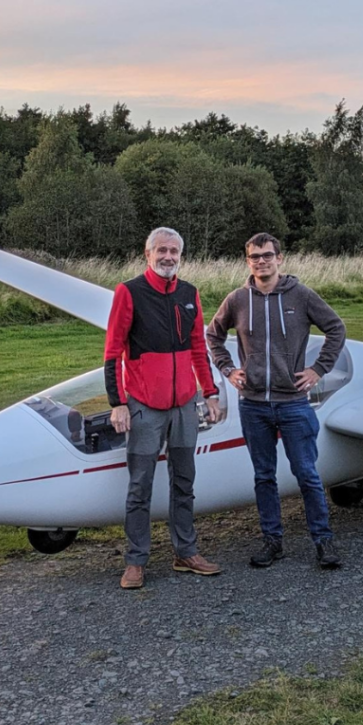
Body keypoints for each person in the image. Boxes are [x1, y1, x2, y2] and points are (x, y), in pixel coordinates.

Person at [207, 232, 346, 569]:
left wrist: (317, 370)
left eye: (267, 256)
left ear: (279, 258)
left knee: (307, 474)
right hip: (253, 405)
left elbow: (336, 329)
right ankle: (273, 541)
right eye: (255, 257)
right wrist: (228, 369)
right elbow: (213, 335)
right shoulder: (238, 299)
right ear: (248, 261)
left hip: (293, 403)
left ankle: (323, 541)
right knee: (263, 476)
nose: (262, 262)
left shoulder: (301, 295)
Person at [104, 227, 225, 590]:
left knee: (184, 482)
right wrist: (118, 403)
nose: (168, 256)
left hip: (185, 405)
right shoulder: (129, 292)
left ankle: (185, 552)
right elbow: (112, 351)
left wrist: (210, 392)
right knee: (140, 485)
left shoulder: (189, 294)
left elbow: (197, 350)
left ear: (181, 256)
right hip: (145, 406)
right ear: (148, 254)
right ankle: (136, 560)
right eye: (162, 250)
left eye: (174, 251)